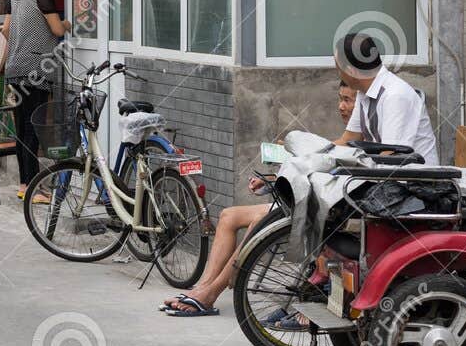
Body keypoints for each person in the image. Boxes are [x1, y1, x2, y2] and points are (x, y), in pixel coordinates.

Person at [161, 80, 356, 317]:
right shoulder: (348, 135)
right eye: (340, 99)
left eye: (347, 100)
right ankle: (202, 287)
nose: (341, 106)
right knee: (228, 215)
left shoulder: (359, 134)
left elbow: (327, 167)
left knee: (257, 224)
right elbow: (321, 164)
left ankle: (211, 293)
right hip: (299, 197)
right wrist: (275, 178)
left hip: (319, 205)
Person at [0, 0, 69, 199]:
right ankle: (33, 188)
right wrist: (68, 22)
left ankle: (24, 185)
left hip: (15, 68)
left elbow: (5, 30)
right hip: (36, 70)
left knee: (21, 129)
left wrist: (23, 34)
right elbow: (58, 31)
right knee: (33, 129)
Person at [336, 31, 439, 165]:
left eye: (338, 68)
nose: (338, 74)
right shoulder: (364, 92)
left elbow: (390, 155)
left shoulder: (396, 96)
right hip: (387, 175)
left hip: (416, 181)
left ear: (351, 71)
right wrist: (311, 154)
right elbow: (347, 140)